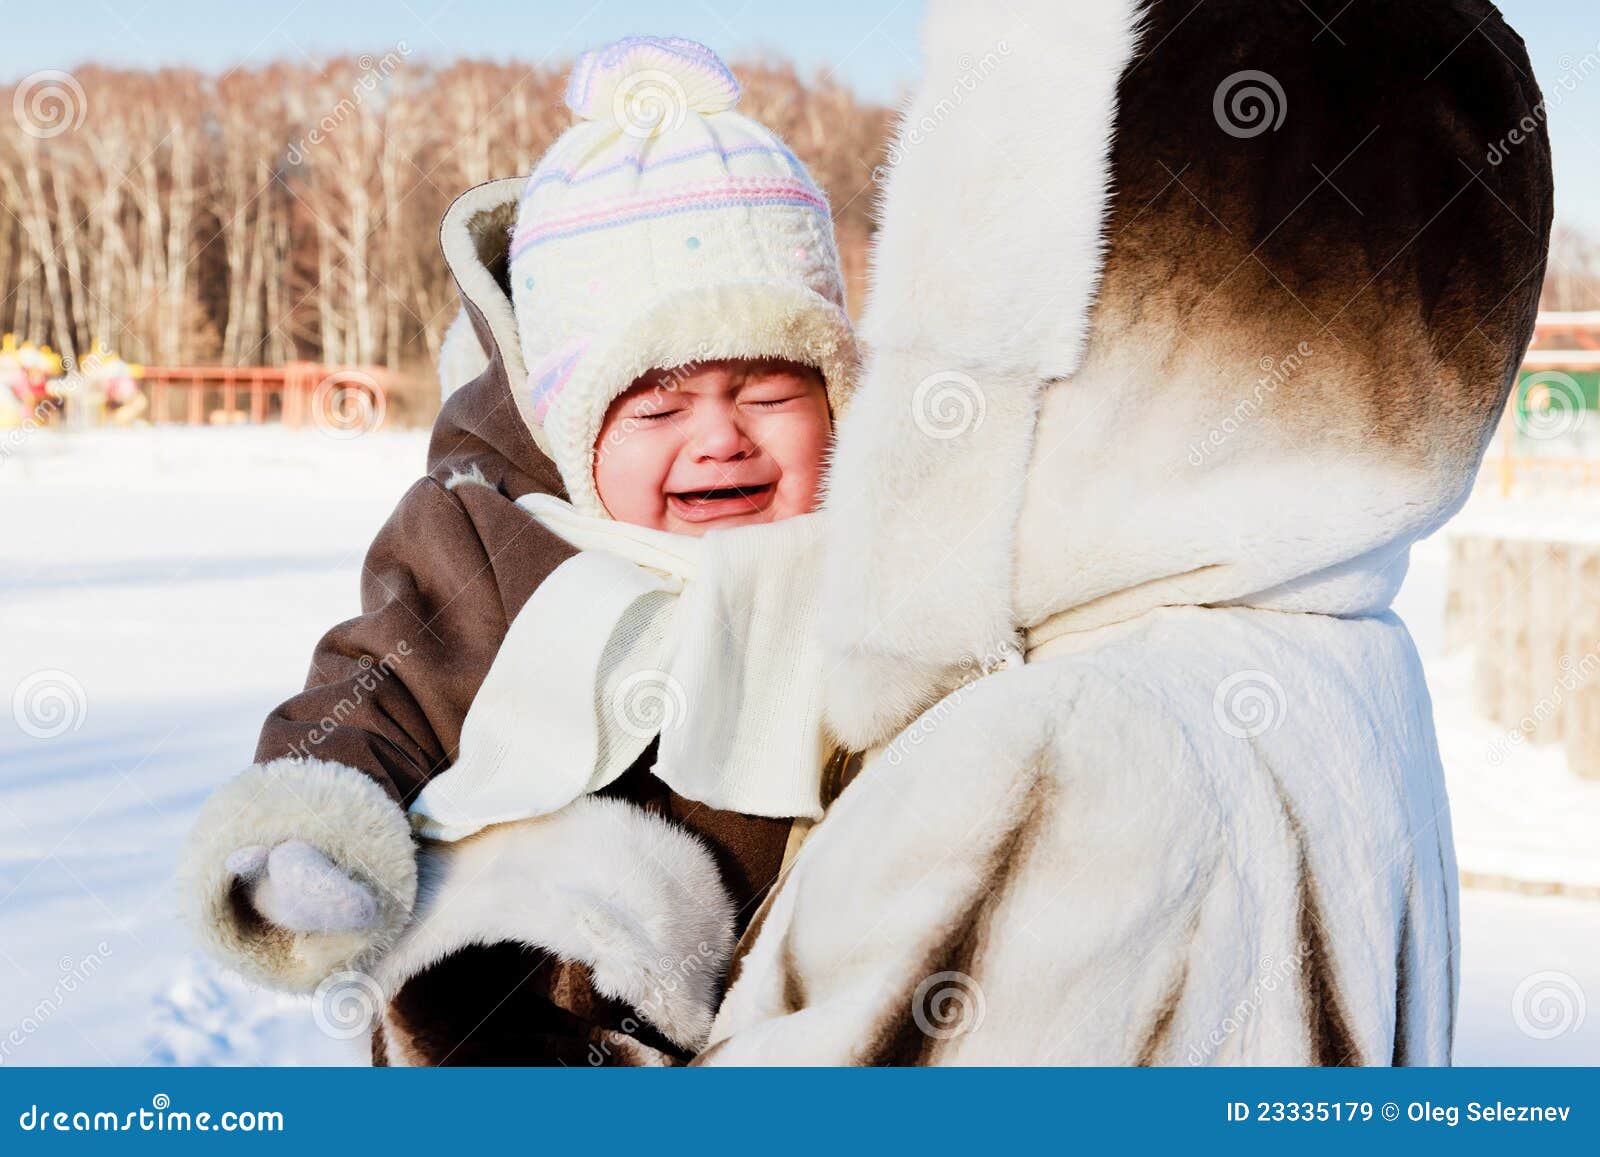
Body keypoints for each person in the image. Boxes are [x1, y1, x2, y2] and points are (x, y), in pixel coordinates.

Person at [178, 36, 859, 1066]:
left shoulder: (872, 562)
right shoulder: (496, 535)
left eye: (770, 394)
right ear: (569, 428)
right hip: (518, 989)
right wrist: (311, 822)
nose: (719, 437)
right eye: (659, 405)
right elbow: (377, 692)